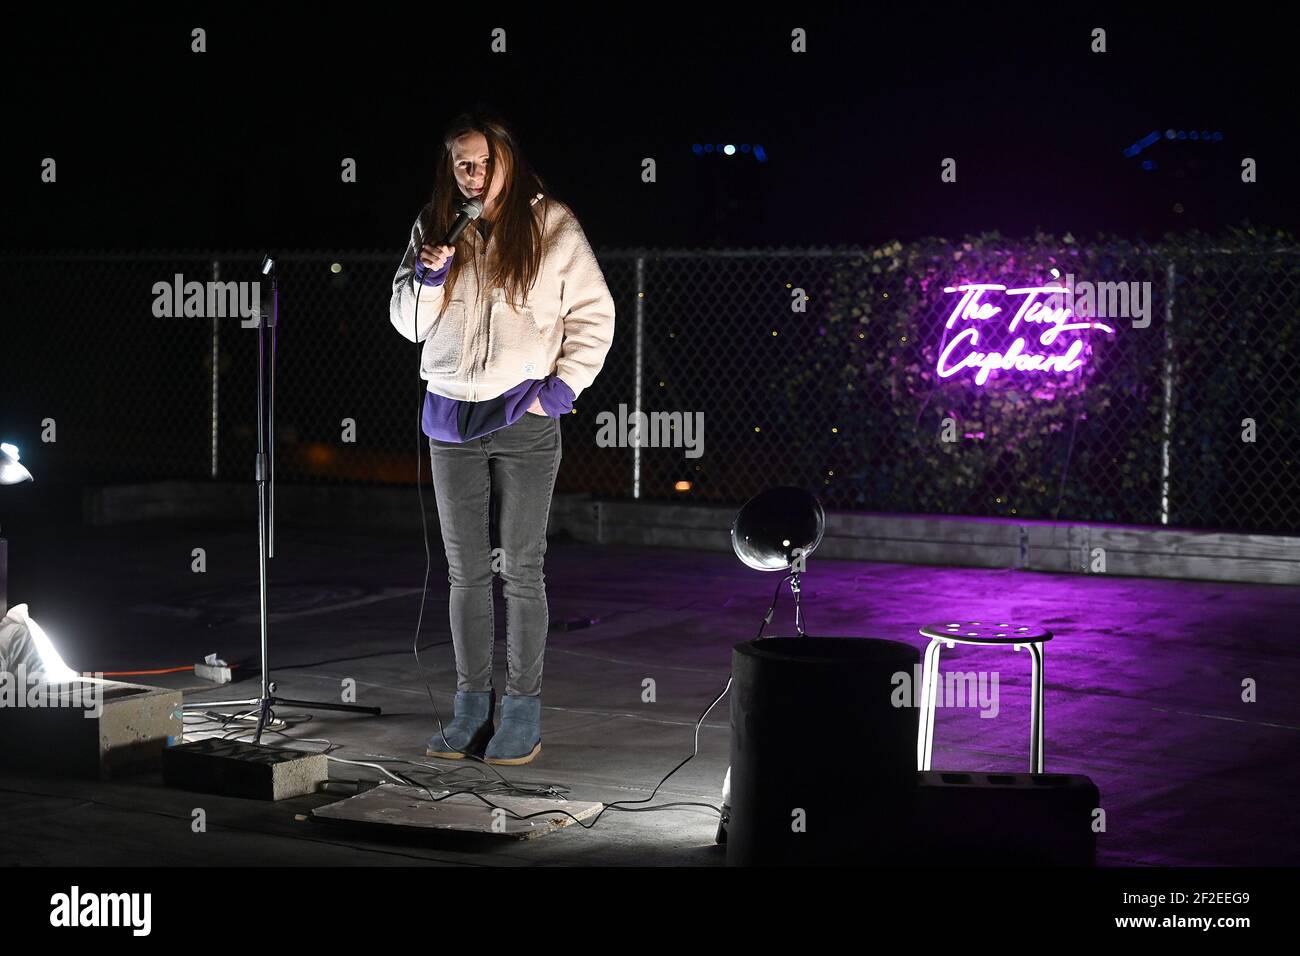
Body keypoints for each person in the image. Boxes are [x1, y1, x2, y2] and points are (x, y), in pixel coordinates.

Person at [389, 109, 615, 765]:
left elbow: (594, 314)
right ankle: (469, 710)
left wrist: (561, 390)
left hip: (523, 415)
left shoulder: (551, 224)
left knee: (521, 571)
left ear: (506, 161)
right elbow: (408, 324)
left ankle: (522, 712)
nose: (474, 173)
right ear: (449, 169)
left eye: (484, 161)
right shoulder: (435, 226)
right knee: (465, 575)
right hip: (450, 418)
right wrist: (427, 275)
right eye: (462, 163)